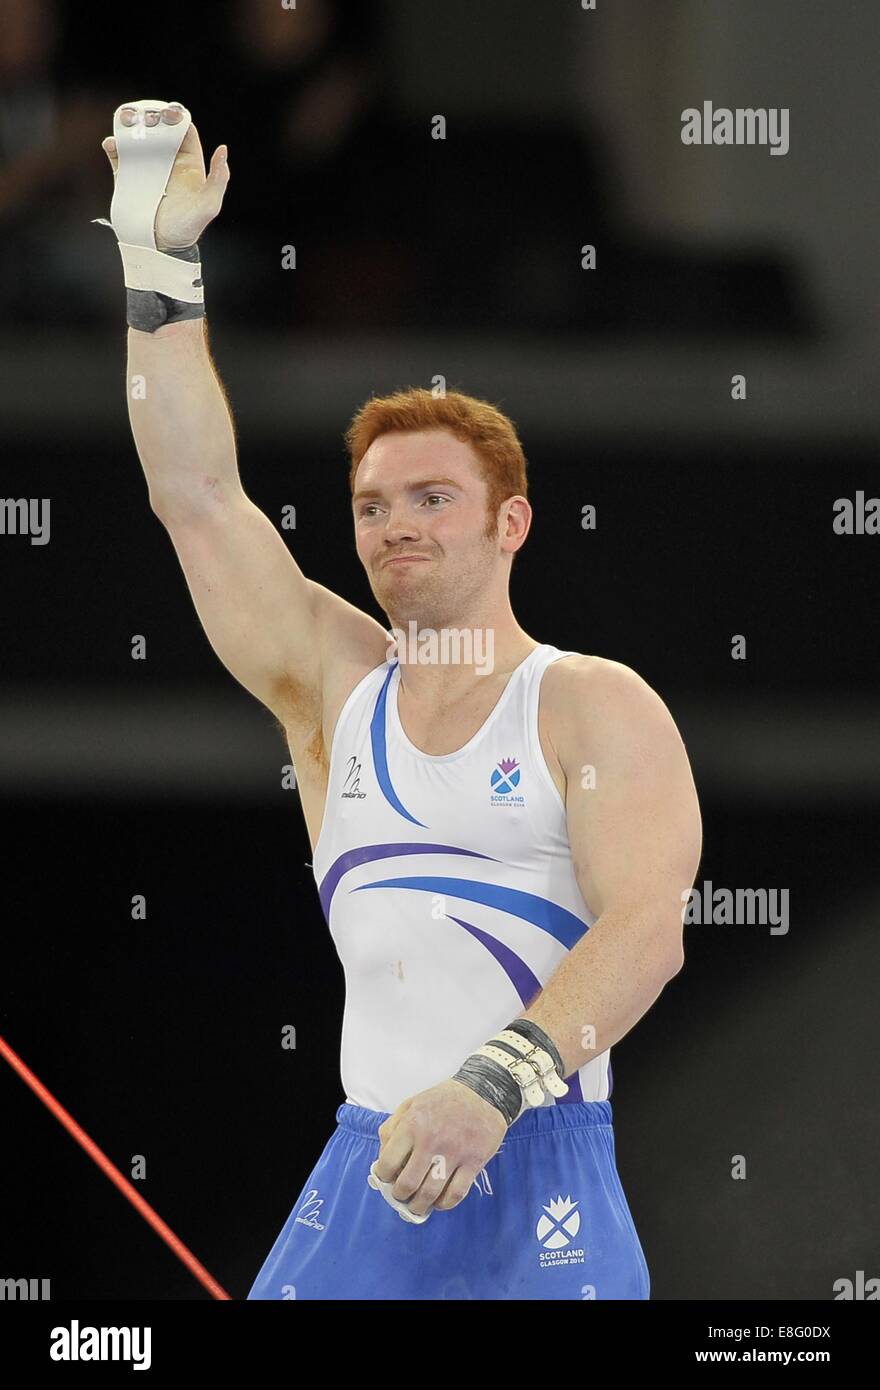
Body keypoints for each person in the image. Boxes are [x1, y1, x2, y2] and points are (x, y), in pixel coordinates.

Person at [101, 103, 702, 1300]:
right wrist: (153, 256)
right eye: (373, 506)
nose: (396, 527)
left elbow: (646, 932)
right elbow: (196, 495)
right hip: (366, 1161)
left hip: (540, 1167)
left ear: (510, 522)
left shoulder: (589, 706)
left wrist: (493, 1087)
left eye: (432, 498)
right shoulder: (335, 691)